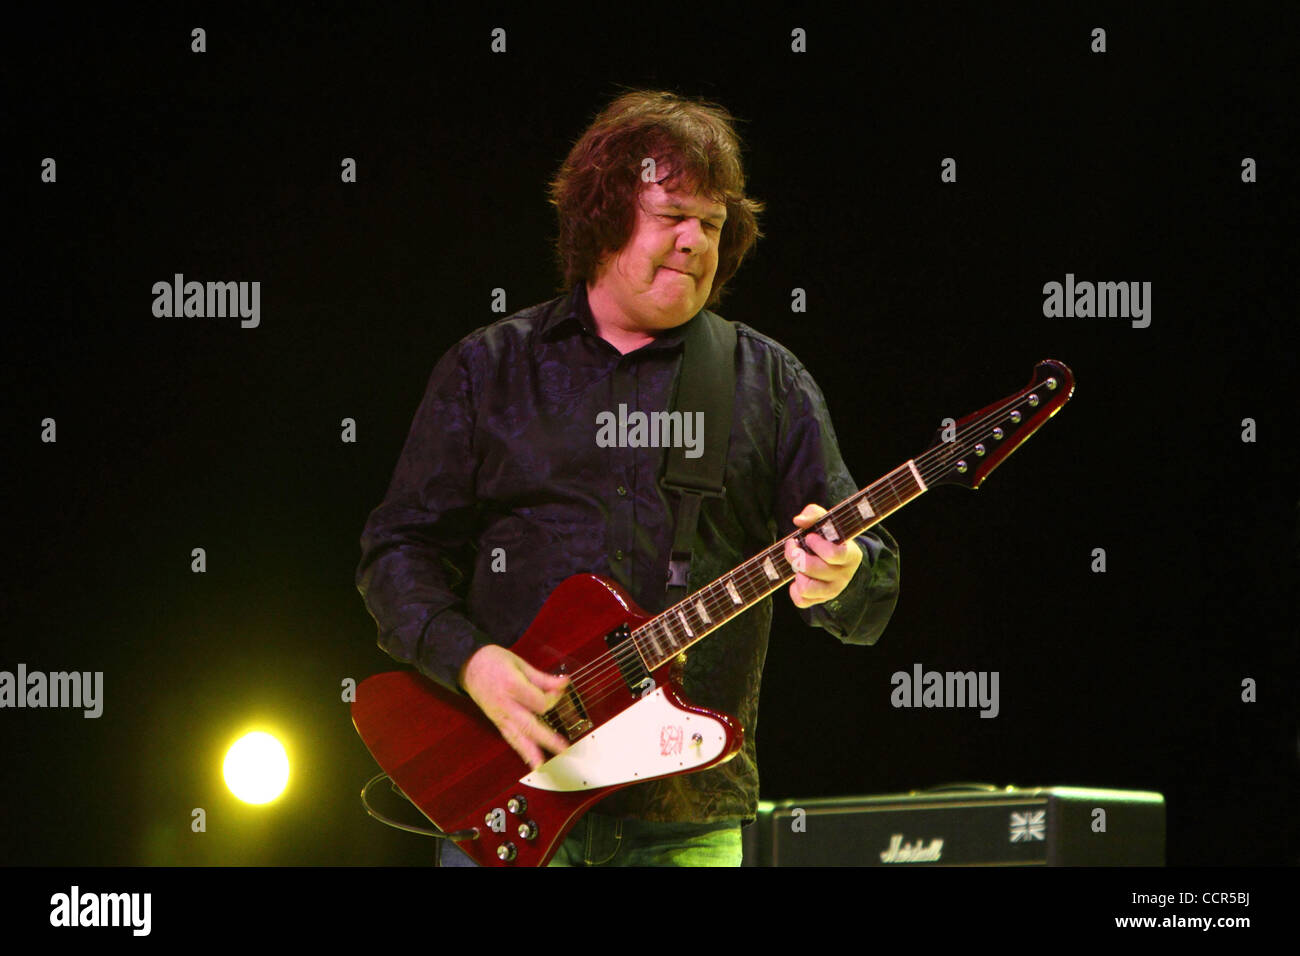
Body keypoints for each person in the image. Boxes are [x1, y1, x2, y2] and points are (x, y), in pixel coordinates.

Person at [355, 89, 900, 866]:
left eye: (711, 224)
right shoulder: (492, 367)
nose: (694, 241)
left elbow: (866, 581)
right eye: (672, 214)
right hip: (508, 798)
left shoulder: (768, 383)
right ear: (604, 215)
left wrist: (842, 575)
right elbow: (396, 552)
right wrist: (473, 662)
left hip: (682, 816)